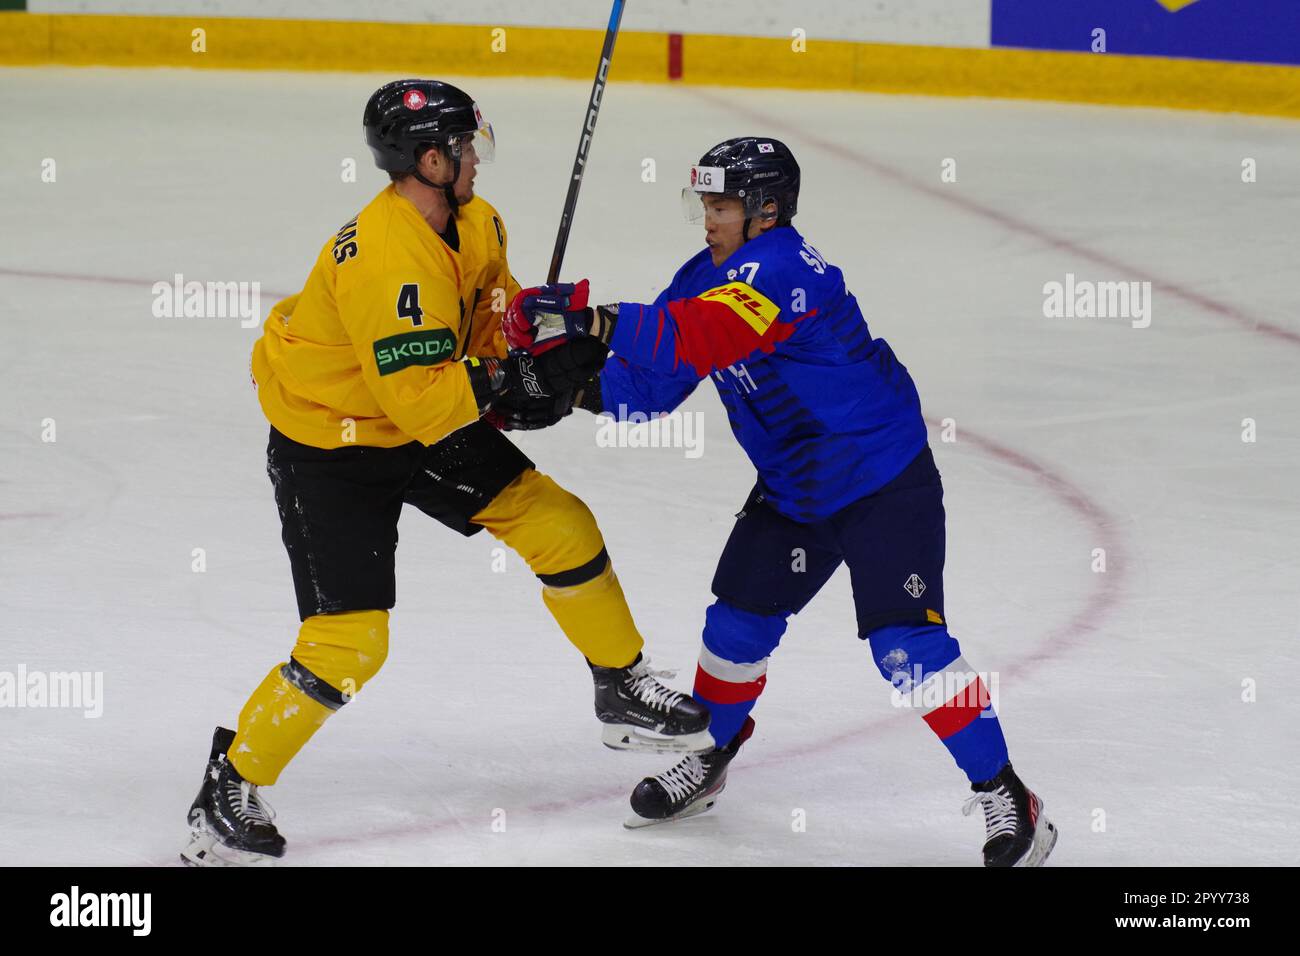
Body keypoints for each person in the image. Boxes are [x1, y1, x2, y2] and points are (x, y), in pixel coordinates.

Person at [180, 80, 709, 867]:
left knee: (558, 522)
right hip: (333, 444)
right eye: (467, 146)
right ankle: (230, 785)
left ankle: (621, 684)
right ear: (430, 159)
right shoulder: (388, 257)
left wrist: (534, 336)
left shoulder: (475, 220)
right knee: (349, 643)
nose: (476, 158)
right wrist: (506, 388)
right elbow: (428, 402)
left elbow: (486, 316)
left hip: (411, 416)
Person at [504, 137, 1057, 867]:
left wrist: (596, 322)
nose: (709, 217)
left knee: (905, 651)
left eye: (724, 203)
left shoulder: (788, 269)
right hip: (794, 492)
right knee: (732, 632)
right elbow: (656, 388)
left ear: (767, 208)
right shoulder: (703, 274)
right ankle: (712, 758)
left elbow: (697, 335)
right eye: (704, 202)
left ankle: (1009, 793)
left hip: (881, 481)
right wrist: (564, 388)